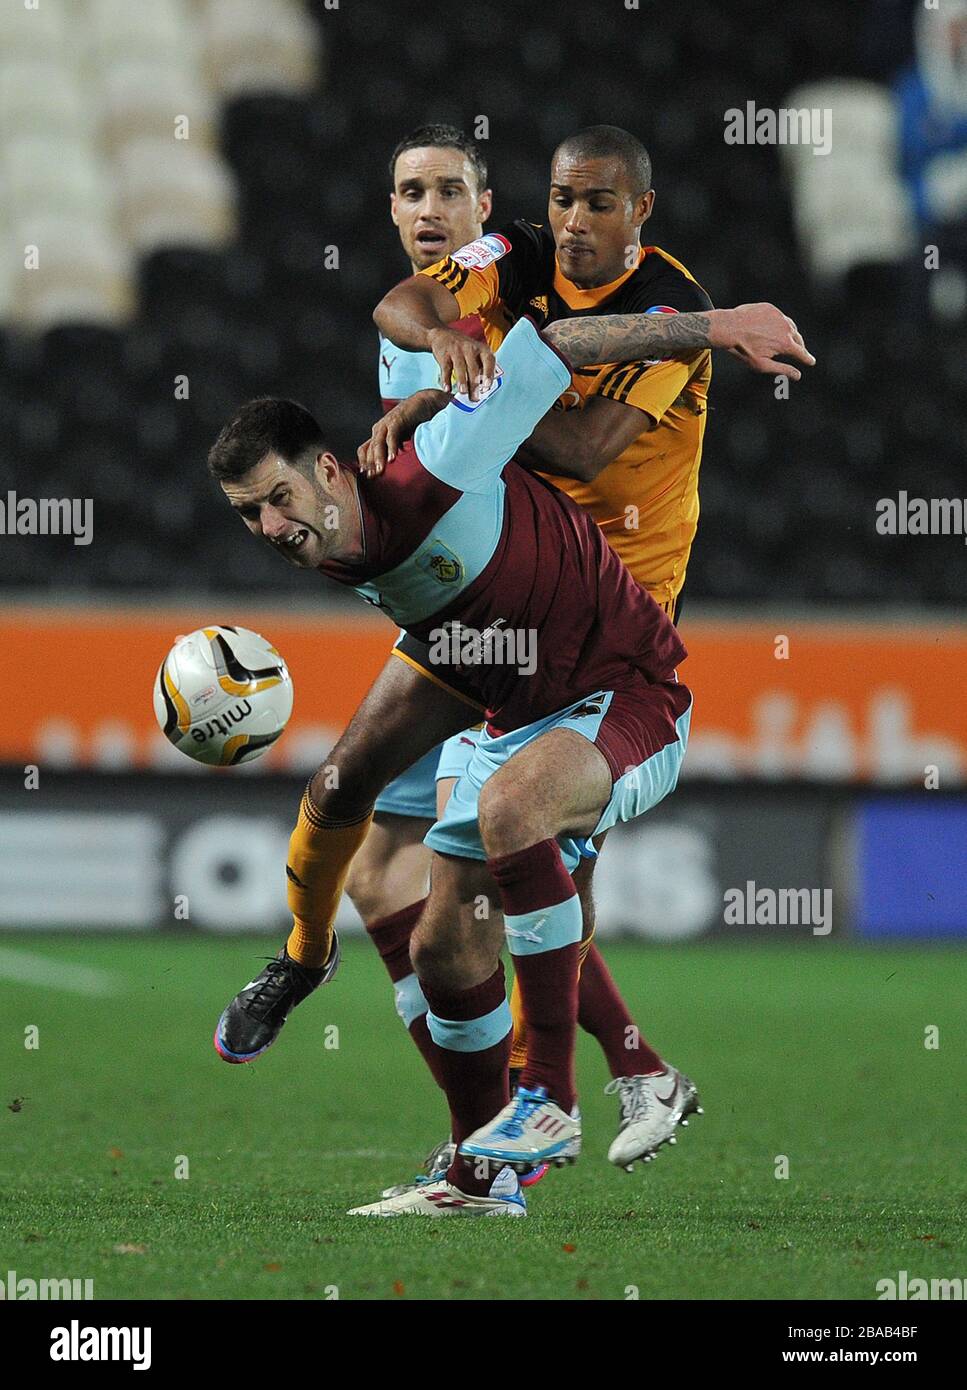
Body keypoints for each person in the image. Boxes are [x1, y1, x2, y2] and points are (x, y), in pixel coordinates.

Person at [208, 303, 813, 1215]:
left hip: (626, 691)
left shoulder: (443, 460)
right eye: (248, 514)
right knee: (440, 944)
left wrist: (716, 325)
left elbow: (550, 347)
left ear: (328, 468)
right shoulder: (333, 539)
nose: (268, 525)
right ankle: (476, 1173)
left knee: (509, 814)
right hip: (501, 693)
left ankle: (551, 1100)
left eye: (279, 499)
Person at [351, 122, 713, 1180]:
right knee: (464, 881)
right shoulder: (508, 253)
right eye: (563, 200)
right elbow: (400, 300)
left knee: (517, 866)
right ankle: (589, 1088)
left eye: (599, 203)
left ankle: (538, 1115)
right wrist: (441, 357)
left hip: (613, 611)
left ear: (640, 210)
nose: (575, 223)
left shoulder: (667, 314)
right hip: (511, 593)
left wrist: (477, 395)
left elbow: (590, 443)